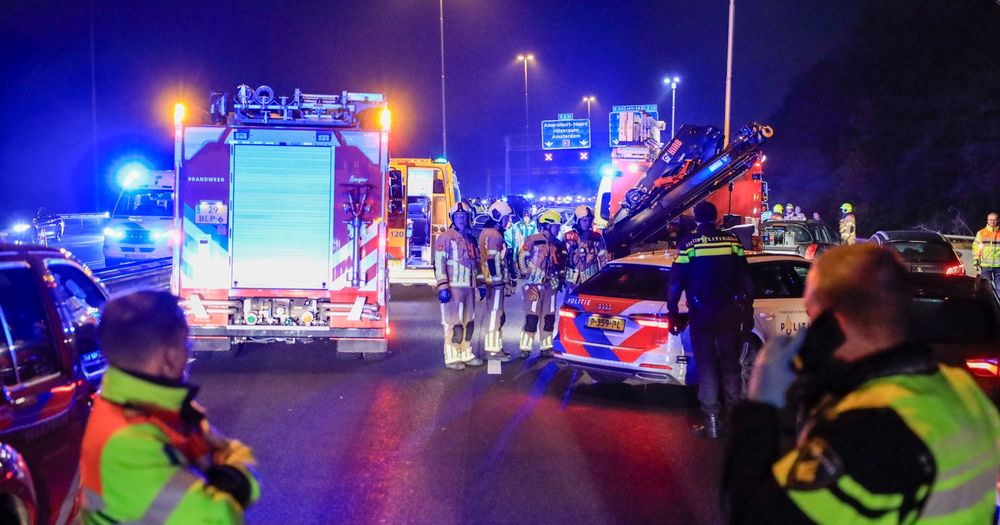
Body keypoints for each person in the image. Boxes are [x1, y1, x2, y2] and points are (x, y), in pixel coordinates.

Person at [723, 244, 1000, 524]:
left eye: (812, 313)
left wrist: (759, 406)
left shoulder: (870, 428)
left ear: (832, 322)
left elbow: (751, 515)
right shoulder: (961, 389)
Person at [80, 291, 260, 524]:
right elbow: (219, 518)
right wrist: (240, 469)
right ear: (169, 357)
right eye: (186, 343)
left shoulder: (144, 412)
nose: (189, 352)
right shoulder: (130, 442)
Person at [667, 201, 753, 438]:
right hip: (730, 314)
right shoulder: (732, 242)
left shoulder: (689, 245)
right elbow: (745, 277)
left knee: (707, 367)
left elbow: (675, 283)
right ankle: (736, 421)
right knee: (730, 365)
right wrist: (748, 310)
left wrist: (672, 310)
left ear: (696, 218)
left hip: (702, 315)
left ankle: (712, 421)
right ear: (716, 217)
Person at [434, 202, 485, 370]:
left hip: (469, 288)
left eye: (464, 216)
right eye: (458, 217)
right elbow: (439, 263)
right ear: (452, 218)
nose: (461, 219)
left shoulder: (470, 239)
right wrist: (442, 287)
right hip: (453, 288)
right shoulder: (446, 237)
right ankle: (452, 356)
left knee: (468, 323)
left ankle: (466, 353)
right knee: (453, 324)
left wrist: (480, 284)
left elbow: (476, 264)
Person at [518, 210, 565, 357]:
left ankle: (546, 347)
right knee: (531, 317)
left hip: (551, 286)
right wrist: (527, 275)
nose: (558, 229)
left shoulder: (558, 244)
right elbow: (521, 257)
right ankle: (525, 348)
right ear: (547, 225)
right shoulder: (533, 239)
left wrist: (561, 280)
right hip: (534, 285)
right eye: (556, 226)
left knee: (549, 317)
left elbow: (562, 264)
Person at [479, 201, 515, 361]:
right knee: (495, 314)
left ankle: (496, 347)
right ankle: (493, 350)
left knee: (495, 313)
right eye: (506, 218)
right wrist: (498, 280)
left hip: (490, 281)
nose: (508, 221)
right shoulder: (494, 235)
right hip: (494, 283)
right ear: (498, 217)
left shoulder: (487, 232)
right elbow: (493, 260)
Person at [563, 205, 608, 290]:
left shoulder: (597, 237)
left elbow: (604, 259)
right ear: (577, 221)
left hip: (590, 279)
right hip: (572, 280)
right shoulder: (567, 236)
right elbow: (562, 258)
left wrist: (604, 278)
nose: (587, 223)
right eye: (584, 220)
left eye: (590, 220)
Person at [972, 212, 1000, 290]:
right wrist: (976, 261)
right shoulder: (981, 233)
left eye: (994, 220)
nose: (992, 222)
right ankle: (990, 302)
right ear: (987, 221)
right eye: (990, 220)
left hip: (999, 265)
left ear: (998, 220)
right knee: (986, 287)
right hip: (985, 265)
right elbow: (976, 248)